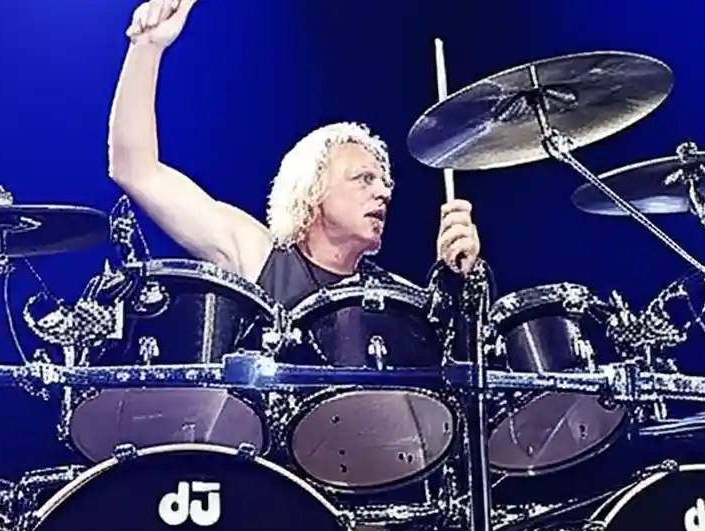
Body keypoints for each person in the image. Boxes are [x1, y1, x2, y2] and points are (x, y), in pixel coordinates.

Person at [107, 0, 484, 310]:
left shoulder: (396, 299)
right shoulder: (258, 256)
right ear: (311, 190)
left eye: (384, 182)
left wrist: (457, 283)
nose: (384, 192)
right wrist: (148, 48)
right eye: (364, 179)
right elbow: (136, 170)